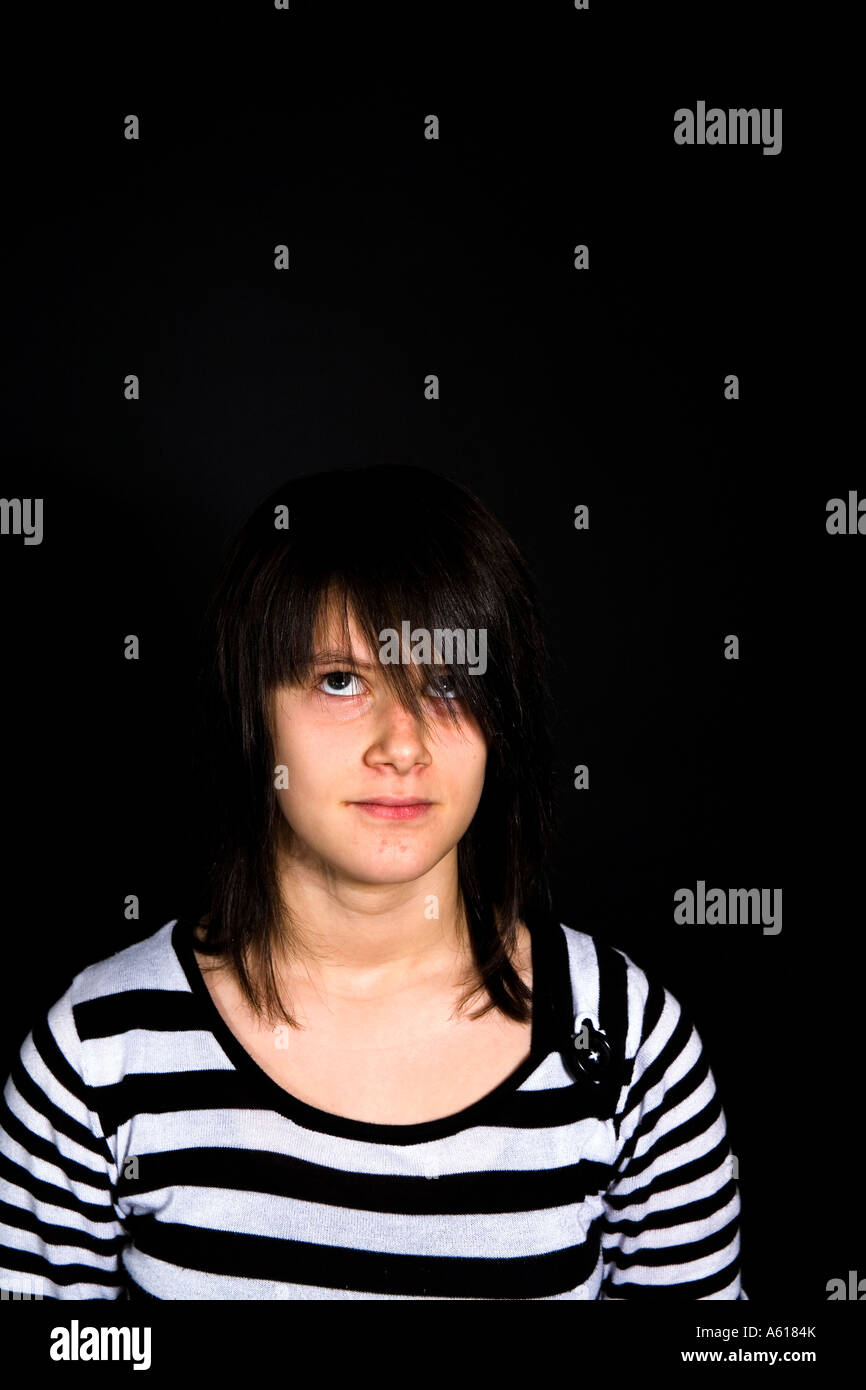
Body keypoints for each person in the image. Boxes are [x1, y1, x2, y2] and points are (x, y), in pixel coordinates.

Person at [0, 463, 746, 1299]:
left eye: (449, 685)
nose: (403, 744)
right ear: (255, 711)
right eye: (341, 682)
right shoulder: (98, 1051)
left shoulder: (629, 1041)